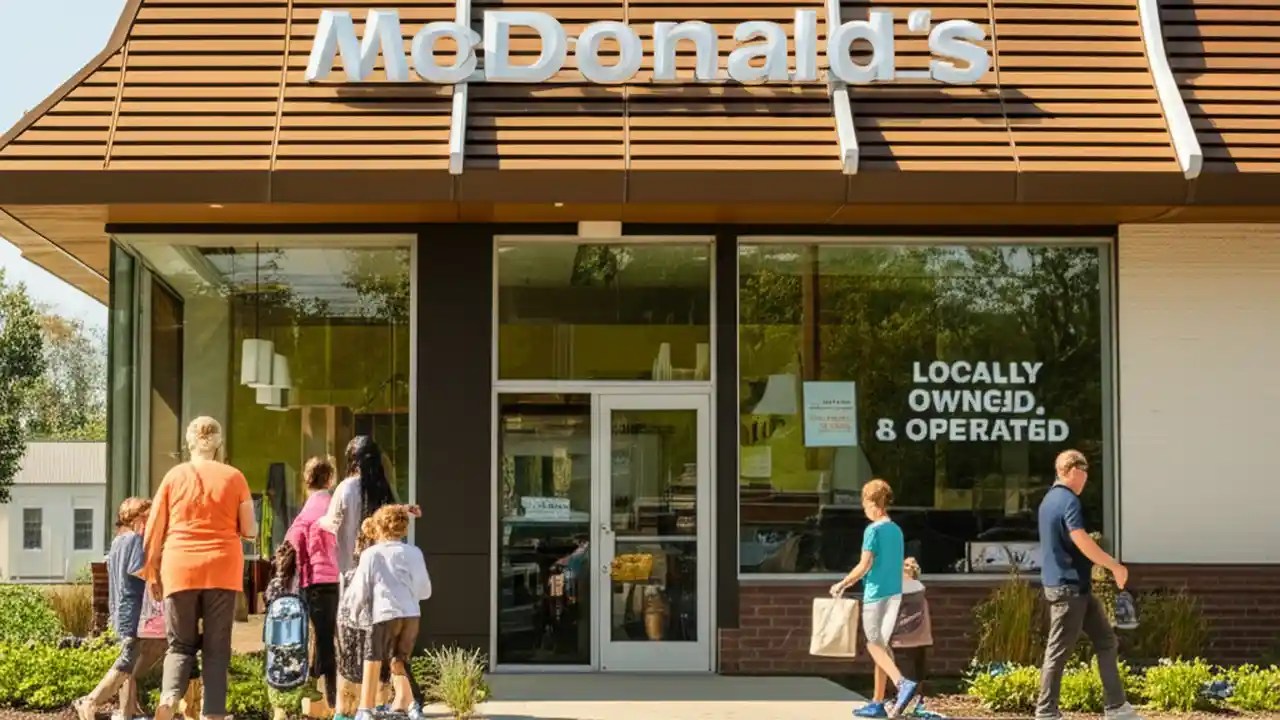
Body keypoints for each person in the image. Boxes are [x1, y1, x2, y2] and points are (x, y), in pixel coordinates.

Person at [141, 416, 257, 720]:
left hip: (179, 567)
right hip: (222, 568)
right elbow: (250, 530)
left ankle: (168, 698)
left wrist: (152, 572)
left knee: (179, 645)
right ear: (218, 442)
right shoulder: (235, 478)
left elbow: (154, 529)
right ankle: (213, 714)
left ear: (189, 442)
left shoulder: (173, 477)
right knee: (217, 648)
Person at [1036, 450, 1140, 720]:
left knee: (1106, 640)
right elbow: (1080, 538)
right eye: (1084, 473)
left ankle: (1116, 707)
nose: (1086, 480)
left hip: (1076, 588)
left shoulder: (1048, 501)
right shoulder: (1067, 500)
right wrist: (1113, 565)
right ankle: (1046, 712)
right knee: (1058, 651)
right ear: (1072, 470)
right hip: (1068, 589)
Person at [830, 479, 919, 719]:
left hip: (876, 594)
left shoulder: (873, 531)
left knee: (873, 644)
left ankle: (902, 683)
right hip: (894, 594)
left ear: (874, 503)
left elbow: (864, 564)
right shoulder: (896, 530)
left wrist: (843, 583)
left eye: (865, 503)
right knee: (882, 646)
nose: (864, 509)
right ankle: (878, 702)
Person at [76, 498, 164, 720]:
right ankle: (89, 701)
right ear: (138, 518)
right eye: (148, 515)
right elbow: (137, 570)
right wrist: (157, 572)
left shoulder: (117, 542)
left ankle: (127, 711)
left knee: (131, 662)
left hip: (118, 608)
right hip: (132, 609)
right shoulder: (136, 539)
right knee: (127, 661)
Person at [343, 505, 433, 720]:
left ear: (379, 527)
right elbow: (425, 589)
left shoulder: (372, 554)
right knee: (398, 661)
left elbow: (359, 589)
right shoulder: (414, 552)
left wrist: (353, 615)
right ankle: (411, 707)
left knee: (372, 658)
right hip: (411, 614)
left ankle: (365, 708)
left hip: (384, 613)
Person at [286, 456, 341, 713]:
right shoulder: (333, 505)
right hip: (337, 579)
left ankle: (324, 696)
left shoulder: (306, 511)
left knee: (320, 638)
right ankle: (330, 697)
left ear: (306, 480)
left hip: (313, 582)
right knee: (328, 638)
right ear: (329, 479)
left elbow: (291, 545)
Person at [859, 557, 933, 719]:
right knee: (883, 658)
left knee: (876, 648)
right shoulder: (918, 586)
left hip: (902, 637)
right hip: (919, 638)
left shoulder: (902, 585)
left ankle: (896, 697)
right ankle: (878, 702)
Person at [319, 437, 401, 577]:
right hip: (385, 572)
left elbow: (331, 525)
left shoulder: (346, 488)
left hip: (352, 571)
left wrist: (319, 520)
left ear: (353, 462)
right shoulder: (387, 489)